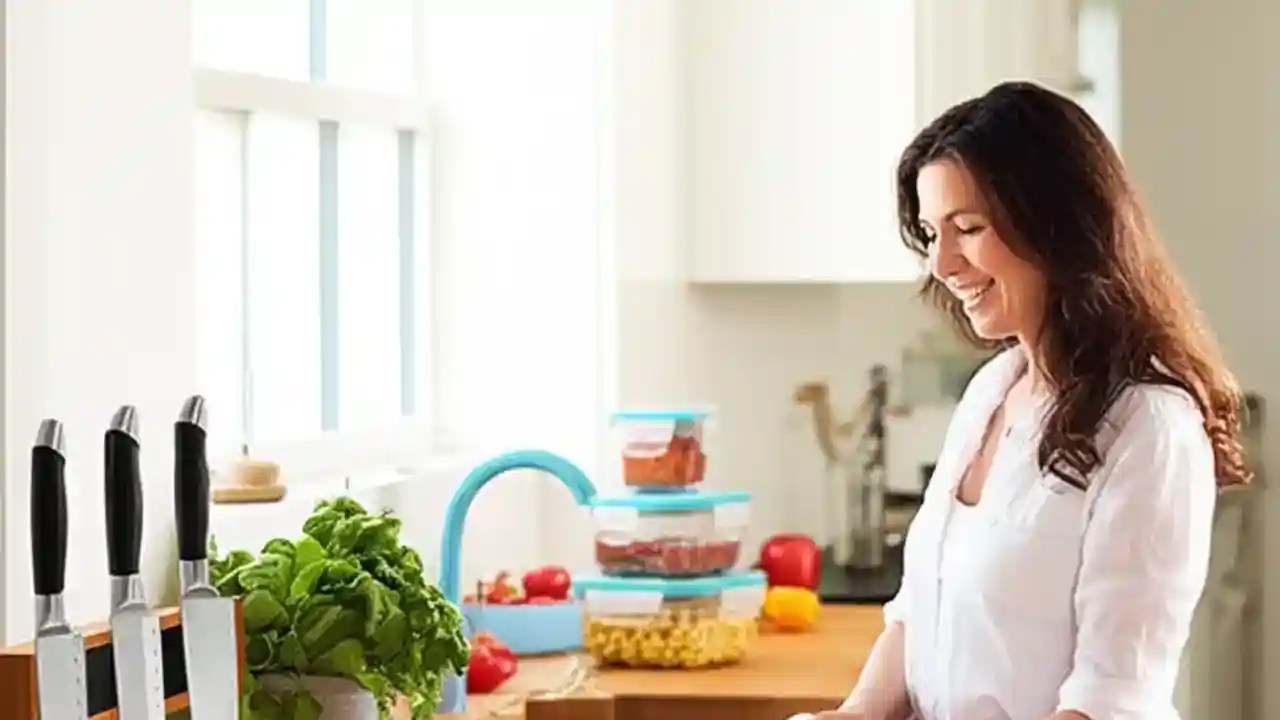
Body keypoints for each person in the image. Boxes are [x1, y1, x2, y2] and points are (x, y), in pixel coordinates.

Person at [811, 81, 1252, 720]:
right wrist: (854, 715)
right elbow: (919, 615)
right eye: (932, 233)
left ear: (1058, 226)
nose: (942, 262)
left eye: (968, 228)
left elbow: (1109, 701)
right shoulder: (993, 388)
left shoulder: (1147, 425)